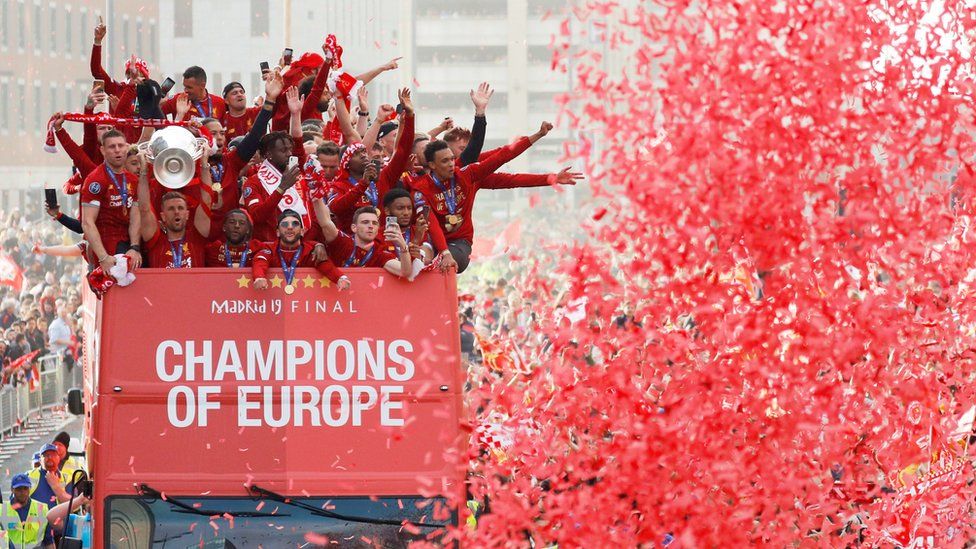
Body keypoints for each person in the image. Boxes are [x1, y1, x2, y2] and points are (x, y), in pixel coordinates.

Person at [411, 123, 582, 273]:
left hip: (459, 243)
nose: (452, 163)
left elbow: (504, 158)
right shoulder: (419, 188)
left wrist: (550, 176)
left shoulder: (467, 173)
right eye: (460, 150)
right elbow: (431, 224)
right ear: (431, 163)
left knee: (446, 261)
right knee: (421, 256)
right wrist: (442, 252)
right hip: (432, 241)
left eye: (452, 158)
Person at [327, 89, 416, 229]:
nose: (363, 155)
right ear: (346, 163)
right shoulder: (339, 186)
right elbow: (336, 208)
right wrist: (363, 183)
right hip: (353, 244)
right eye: (356, 154)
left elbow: (402, 151)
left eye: (364, 152)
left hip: (382, 242)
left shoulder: (383, 177)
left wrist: (410, 116)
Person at [80, 130, 142, 273]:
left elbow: (135, 216)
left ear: (126, 147)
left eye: (120, 146)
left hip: (127, 243)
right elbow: (87, 222)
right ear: (103, 150)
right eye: (112, 147)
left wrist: (134, 247)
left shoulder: (133, 179)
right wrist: (103, 257)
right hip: (105, 245)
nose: (117, 150)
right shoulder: (95, 180)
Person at [314, 202, 416, 279]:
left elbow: (404, 272)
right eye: (365, 222)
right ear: (354, 228)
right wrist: (317, 197)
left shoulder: (379, 252)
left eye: (374, 223)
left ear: (377, 229)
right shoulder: (343, 241)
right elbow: (325, 222)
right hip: (334, 299)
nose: (371, 226)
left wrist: (403, 247)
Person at [251, 210, 349, 291]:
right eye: (284, 224)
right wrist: (259, 276)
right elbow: (260, 261)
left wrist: (340, 278)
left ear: (302, 231)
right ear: (277, 232)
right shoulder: (269, 249)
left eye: (295, 224)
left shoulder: (311, 250)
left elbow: (325, 265)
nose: (290, 227)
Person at [242, 132, 307, 242]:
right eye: (283, 150)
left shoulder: (299, 178)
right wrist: (282, 188)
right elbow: (257, 216)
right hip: (269, 246)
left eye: (290, 149)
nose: (289, 154)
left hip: (300, 245)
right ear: (268, 154)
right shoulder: (254, 182)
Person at [136, 188, 208, 269]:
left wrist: (204, 174)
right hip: (163, 282)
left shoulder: (197, 237)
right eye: (171, 209)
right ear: (163, 216)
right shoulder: (155, 241)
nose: (176, 212)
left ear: (187, 214)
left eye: (180, 208)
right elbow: (144, 209)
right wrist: (143, 175)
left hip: (194, 282)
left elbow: (207, 201)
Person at [381, 188, 435, 265]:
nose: (406, 213)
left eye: (409, 208)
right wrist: (416, 240)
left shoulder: (419, 231)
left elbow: (428, 258)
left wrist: (420, 256)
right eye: (400, 208)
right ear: (387, 211)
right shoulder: (379, 235)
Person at [1, 474, 54, 549]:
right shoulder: (2, 510)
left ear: (30, 489)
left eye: (25, 488)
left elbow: (49, 541)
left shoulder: (42, 509)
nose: (22, 492)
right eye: (19, 489)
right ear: (12, 490)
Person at [161, 66, 226, 120]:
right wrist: (159, 102)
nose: (185, 90)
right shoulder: (178, 100)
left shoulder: (220, 103)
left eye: (189, 87)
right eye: (184, 86)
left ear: (202, 85)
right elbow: (155, 112)